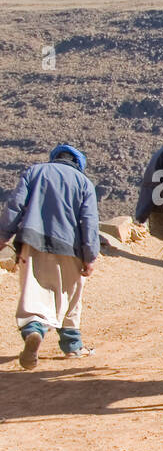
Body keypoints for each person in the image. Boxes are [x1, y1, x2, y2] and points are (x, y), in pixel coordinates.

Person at [0, 145, 99, 369]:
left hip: (32, 242)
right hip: (70, 246)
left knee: (34, 293)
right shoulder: (84, 183)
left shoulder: (34, 172)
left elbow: (15, 205)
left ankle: (34, 330)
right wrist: (89, 256)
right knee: (71, 294)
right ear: (78, 164)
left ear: (54, 158)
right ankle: (72, 346)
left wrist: (3, 236)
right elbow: (89, 222)